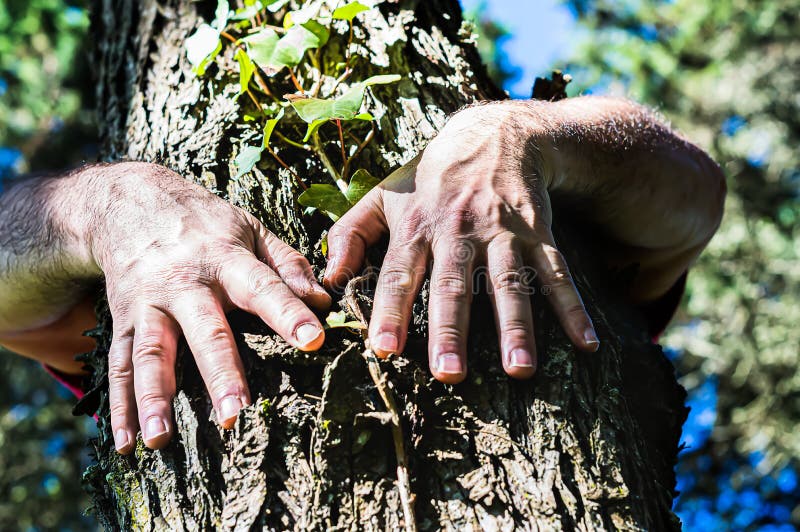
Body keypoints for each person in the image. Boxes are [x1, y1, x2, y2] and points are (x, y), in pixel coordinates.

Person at [0, 96, 725, 455]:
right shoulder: (105, 309)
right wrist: (107, 205)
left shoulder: (546, 212)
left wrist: (511, 132)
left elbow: (693, 197)